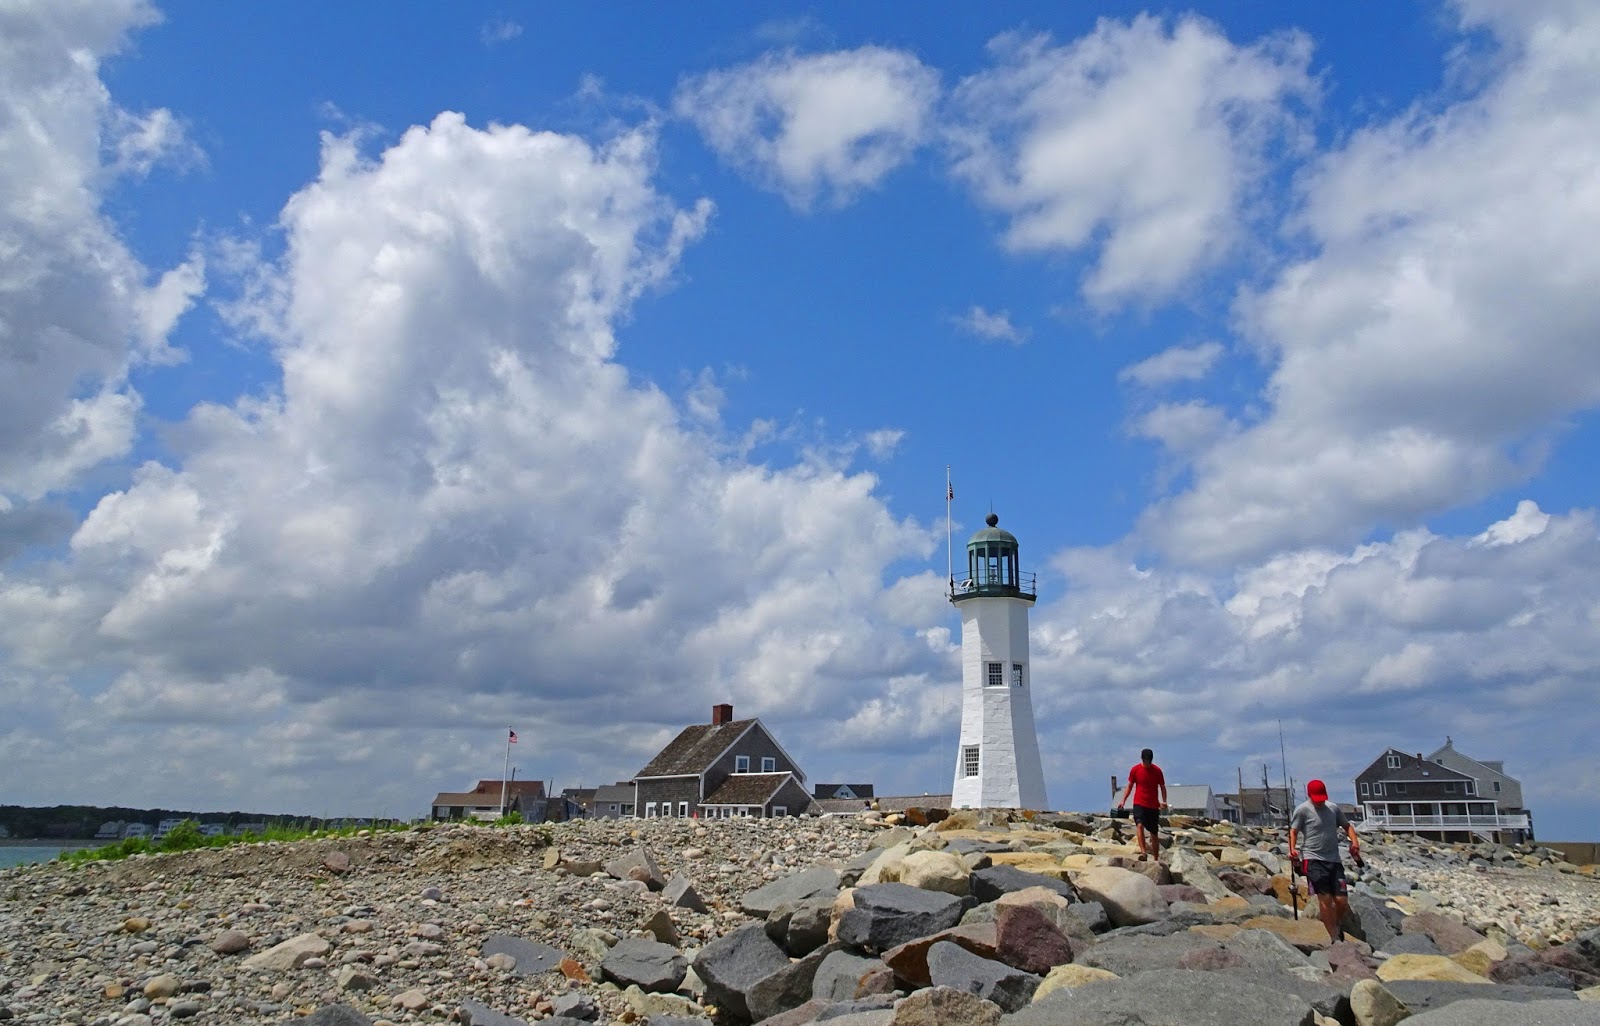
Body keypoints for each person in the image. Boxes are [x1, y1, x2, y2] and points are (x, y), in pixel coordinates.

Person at [1288, 778, 1361, 942]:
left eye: (1322, 798)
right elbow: (1293, 831)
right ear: (1309, 795)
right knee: (1325, 898)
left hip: (1334, 860)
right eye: (1316, 799)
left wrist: (1355, 842)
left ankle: (1336, 923)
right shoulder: (1302, 810)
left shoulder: (1333, 808)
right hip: (1313, 859)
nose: (1320, 801)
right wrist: (1292, 850)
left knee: (1341, 901)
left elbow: (1347, 826)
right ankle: (1334, 938)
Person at [1115, 748, 1167, 860]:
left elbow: (1162, 787)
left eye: (1149, 761)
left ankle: (1156, 858)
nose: (1147, 763)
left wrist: (1164, 801)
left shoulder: (1157, 771)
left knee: (1154, 833)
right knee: (1139, 825)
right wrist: (1123, 800)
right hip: (1139, 803)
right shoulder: (1135, 770)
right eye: (1145, 760)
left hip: (1153, 805)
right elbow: (1129, 786)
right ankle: (1143, 853)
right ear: (1142, 759)